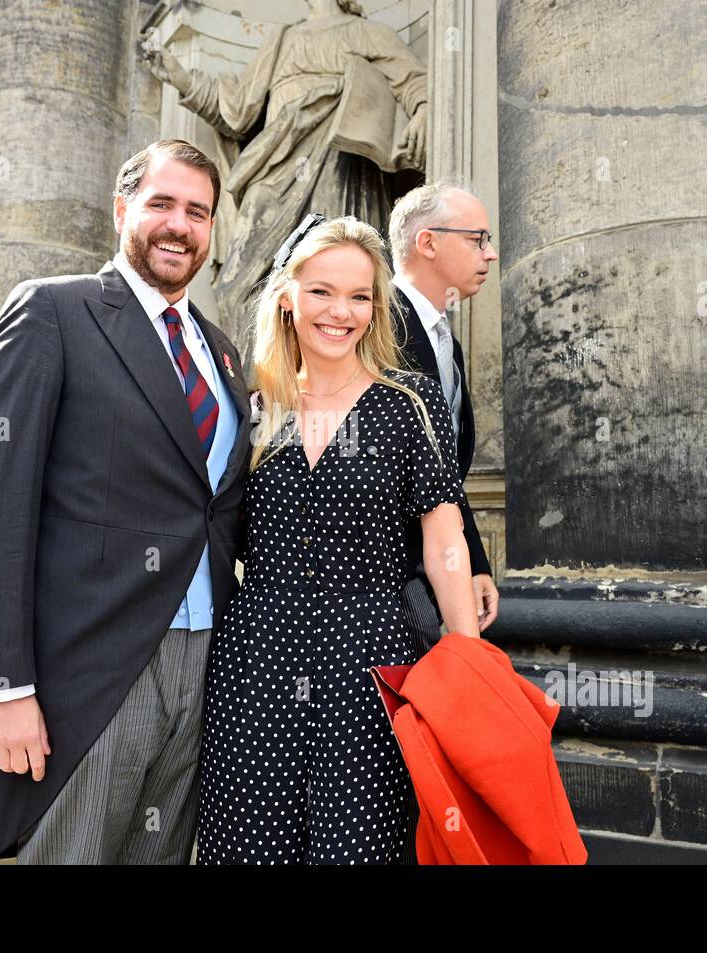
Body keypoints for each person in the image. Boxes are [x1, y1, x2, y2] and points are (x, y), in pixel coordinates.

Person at [0, 139, 250, 864]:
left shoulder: (222, 352)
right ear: (123, 210)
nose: (180, 226)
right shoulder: (54, 313)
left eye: (199, 213)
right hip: (88, 669)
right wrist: (2, 687)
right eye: (163, 205)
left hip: (204, 659)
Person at [197, 215, 481, 864]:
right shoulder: (250, 407)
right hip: (257, 661)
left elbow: (445, 543)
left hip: (374, 662)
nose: (341, 312)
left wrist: (466, 662)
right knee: (249, 845)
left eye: (360, 296)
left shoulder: (411, 402)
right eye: (323, 291)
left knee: (359, 846)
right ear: (288, 295)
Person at [140, 0, 427, 328]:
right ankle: (249, 370)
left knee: (329, 268)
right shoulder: (281, 41)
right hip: (273, 166)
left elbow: (414, 81)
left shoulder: (370, 33)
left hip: (336, 165)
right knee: (240, 282)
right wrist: (181, 77)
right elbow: (235, 107)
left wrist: (422, 108)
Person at [387, 181, 500, 648]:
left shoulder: (443, 338)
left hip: (427, 578)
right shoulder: (375, 324)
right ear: (427, 242)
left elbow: (443, 471)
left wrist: (471, 562)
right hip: (384, 584)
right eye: (477, 239)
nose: (489, 254)